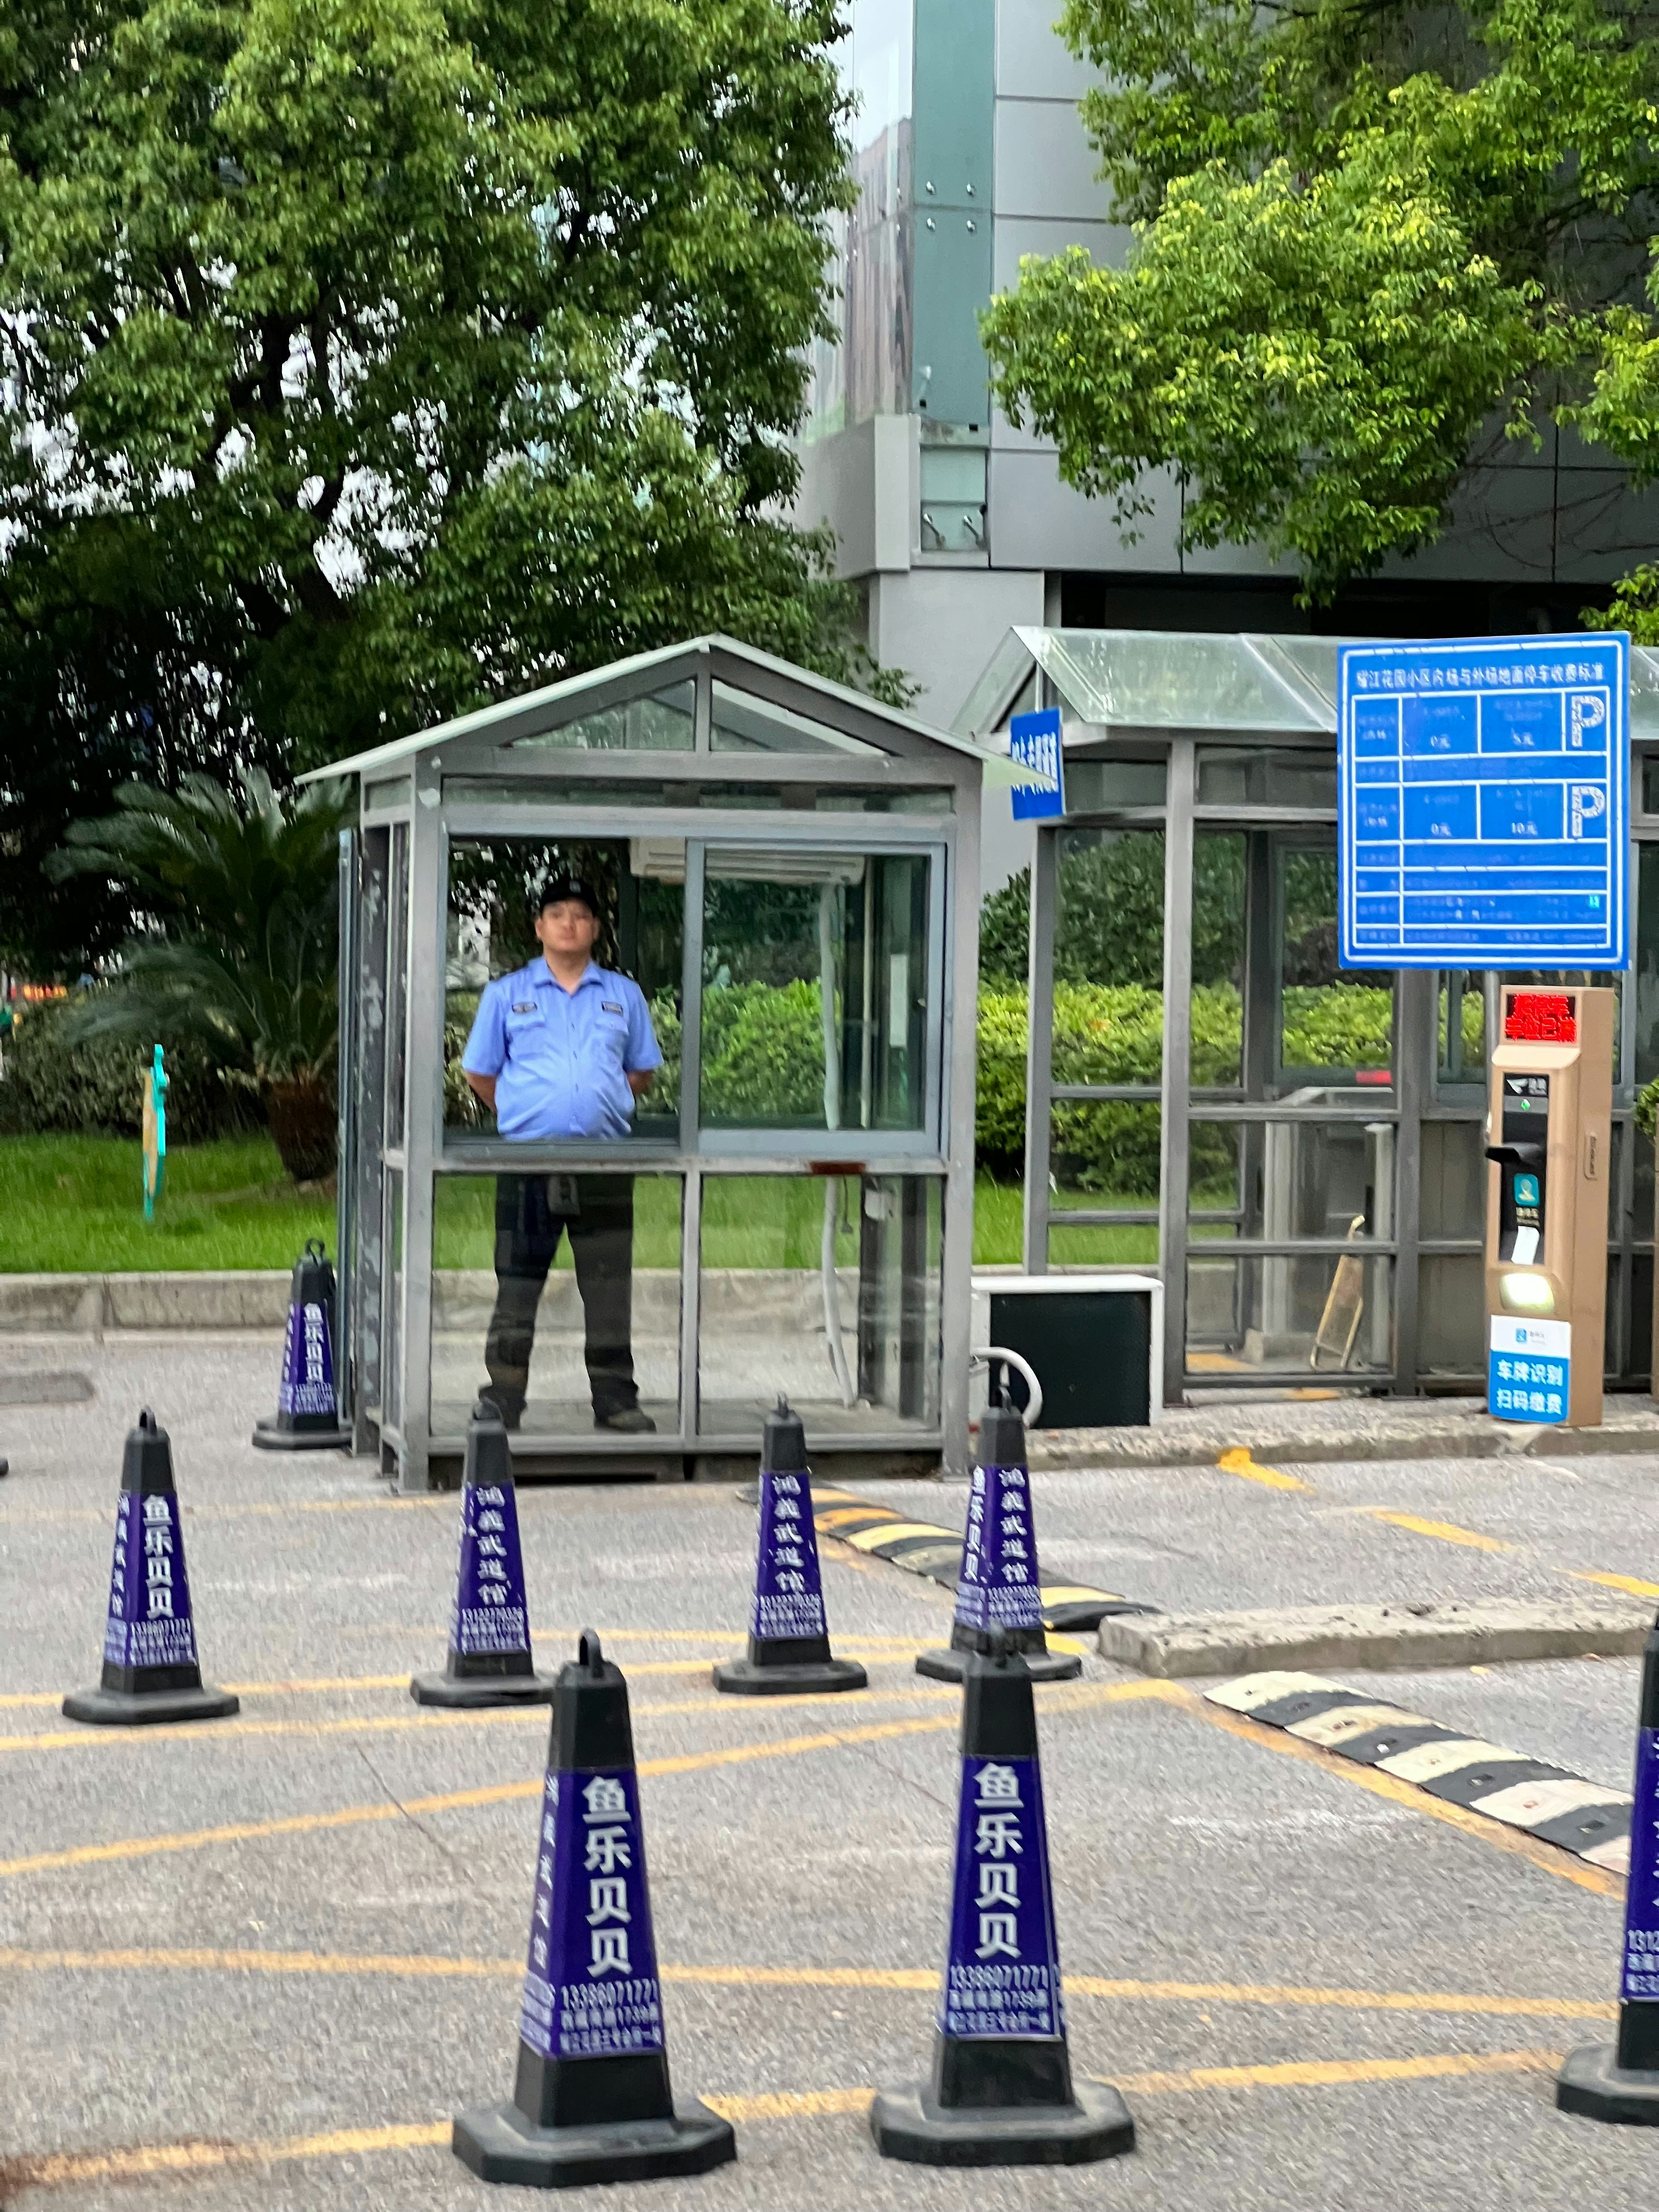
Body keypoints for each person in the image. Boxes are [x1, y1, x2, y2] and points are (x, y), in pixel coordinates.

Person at [460, 878, 663, 1434]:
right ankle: (502, 1399)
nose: (568, 923)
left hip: (604, 1164)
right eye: (557, 914)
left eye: (580, 914)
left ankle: (616, 1400)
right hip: (528, 1164)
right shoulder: (507, 994)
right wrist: (526, 1111)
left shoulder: (622, 996)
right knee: (518, 1285)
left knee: (607, 1287)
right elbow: (480, 1072)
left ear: (595, 928)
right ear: (539, 928)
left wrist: (595, 1100)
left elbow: (639, 1072)